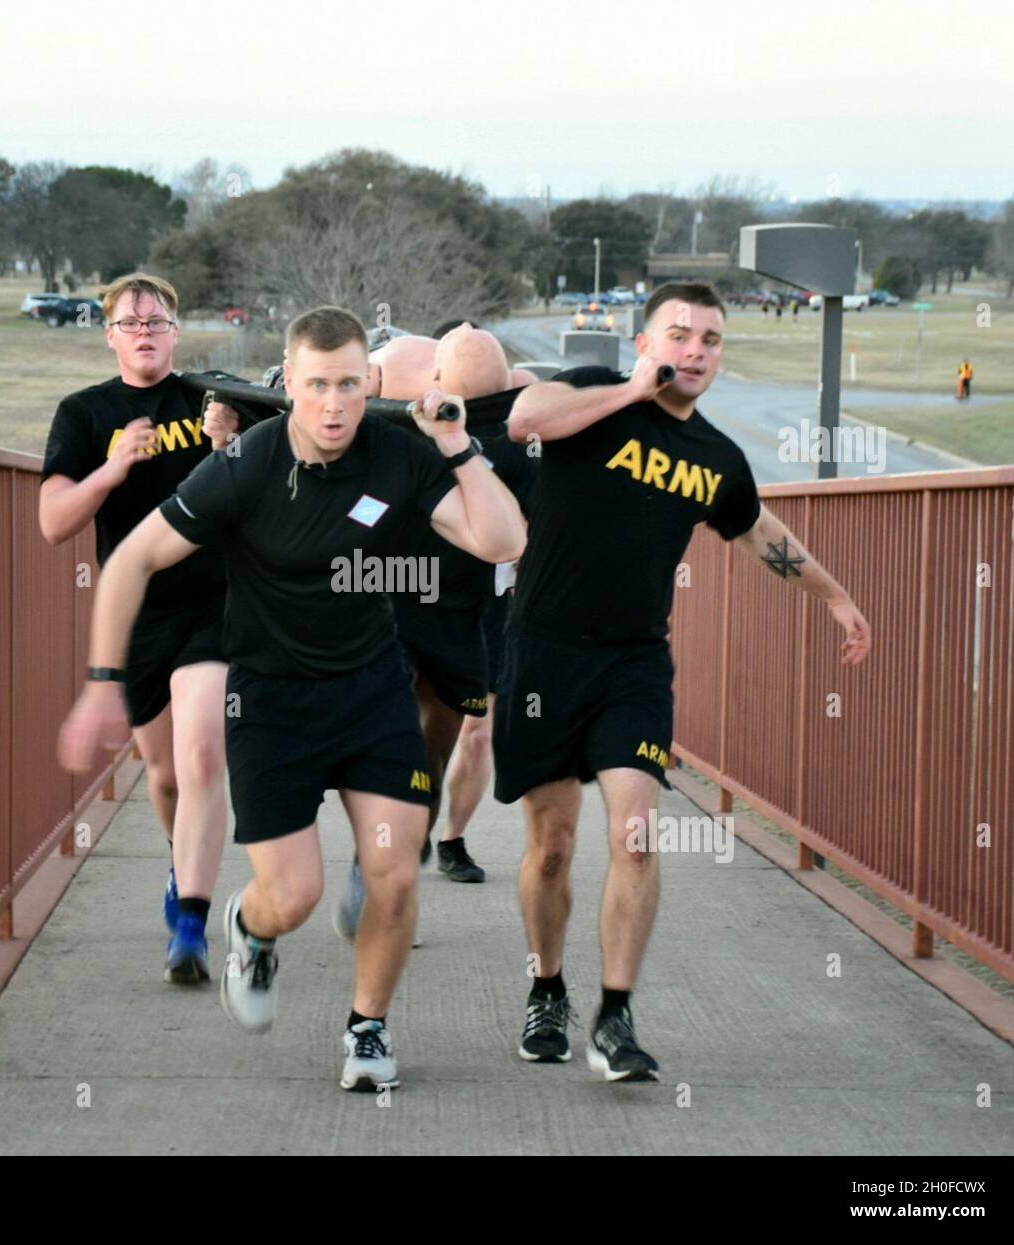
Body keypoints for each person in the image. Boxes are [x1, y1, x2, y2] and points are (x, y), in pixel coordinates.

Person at [57, 306, 525, 1091]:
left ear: (368, 380)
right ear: (291, 382)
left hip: (372, 689)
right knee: (295, 893)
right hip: (270, 699)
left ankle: (368, 1027)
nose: (335, 404)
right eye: (317, 386)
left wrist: (459, 446)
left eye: (349, 383)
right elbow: (132, 560)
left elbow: (502, 541)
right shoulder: (246, 464)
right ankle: (249, 923)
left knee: (396, 871)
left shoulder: (400, 457)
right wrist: (103, 683)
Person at [496, 281, 873, 1080]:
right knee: (553, 846)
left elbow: (760, 532)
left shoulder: (717, 459)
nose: (695, 350)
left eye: (710, 338)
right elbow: (525, 419)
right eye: (679, 333)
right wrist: (631, 392)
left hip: (633, 661)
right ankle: (547, 987)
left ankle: (617, 1015)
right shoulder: (594, 397)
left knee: (635, 834)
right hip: (543, 654)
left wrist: (834, 594)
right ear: (644, 341)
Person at [39, 272, 233, 986]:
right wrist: (111, 469)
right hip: (138, 612)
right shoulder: (84, 413)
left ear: (176, 330)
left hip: (216, 603)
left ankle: (191, 922)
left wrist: (226, 447)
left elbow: (268, 478)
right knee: (167, 774)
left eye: (157, 320)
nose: (145, 331)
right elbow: (56, 523)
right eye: (130, 322)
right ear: (110, 334)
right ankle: (184, 864)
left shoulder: (213, 400)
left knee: (204, 749)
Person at [333, 326, 536, 944]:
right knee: (389, 736)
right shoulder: (396, 413)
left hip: (467, 612)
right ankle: (376, 868)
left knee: (437, 742)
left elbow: (526, 532)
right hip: (390, 599)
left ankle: (408, 843)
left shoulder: (524, 436)